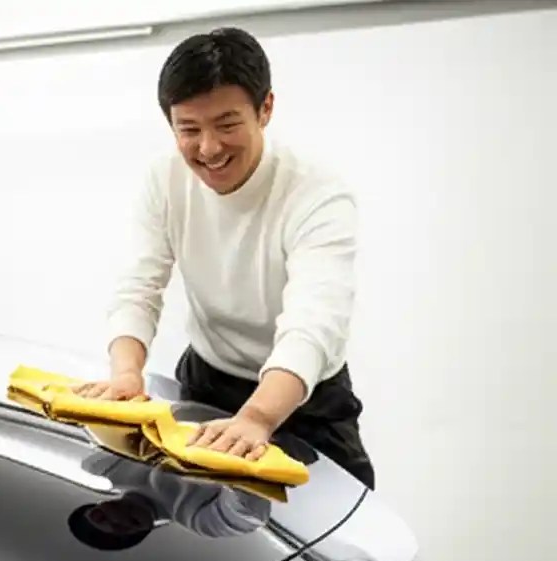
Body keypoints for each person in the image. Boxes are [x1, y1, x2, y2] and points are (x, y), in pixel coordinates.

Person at [73, 27, 374, 489]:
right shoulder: (165, 179)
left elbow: (313, 326)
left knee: (336, 541)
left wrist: (257, 416)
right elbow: (140, 286)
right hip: (208, 383)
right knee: (197, 546)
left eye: (227, 124)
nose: (209, 148)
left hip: (304, 398)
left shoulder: (317, 194)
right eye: (189, 130)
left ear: (265, 108)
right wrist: (126, 375)